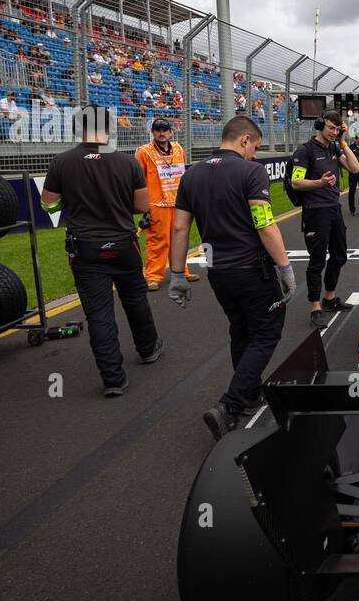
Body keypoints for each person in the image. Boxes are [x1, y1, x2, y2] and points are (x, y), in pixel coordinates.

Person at [167, 115, 297, 439]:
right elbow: (265, 223)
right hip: (250, 269)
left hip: (217, 271)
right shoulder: (251, 171)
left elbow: (180, 228)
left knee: (241, 330)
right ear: (244, 140)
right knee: (267, 332)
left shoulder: (191, 174)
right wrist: (285, 267)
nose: (256, 153)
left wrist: (176, 274)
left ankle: (250, 391)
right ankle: (230, 405)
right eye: (255, 146)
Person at [40, 105, 162, 398]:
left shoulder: (61, 162)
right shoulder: (127, 162)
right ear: (107, 130)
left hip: (86, 248)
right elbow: (142, 207)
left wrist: (72, 201)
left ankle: (113, 378)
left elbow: (49, 206)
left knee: (98, 313)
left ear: (78, 129)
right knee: (135, 300)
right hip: (123, 243)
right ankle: (148, 349)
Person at [288, 111, 359, 330]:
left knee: (339, 256)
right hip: (315, 211)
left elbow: (355, 168)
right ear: (321, 125)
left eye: (337, 129)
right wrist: (319, 183)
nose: (333, 132)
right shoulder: (305, 150)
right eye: (330, 128)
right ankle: (316, 307)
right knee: (317, 261)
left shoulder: (334, 147)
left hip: (334, 209)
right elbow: (295, 182)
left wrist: (342, 142)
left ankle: (330, 298)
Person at [135, 117, 198, 290]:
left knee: (179, 238)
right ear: (153, 132)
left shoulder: (178, 149)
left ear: (170, 132)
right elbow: (137, 180)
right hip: (157, 204)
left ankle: (181, 271)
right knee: (158, 241)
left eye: (164, 130)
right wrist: (143, 206)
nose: (161, 133)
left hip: (178, 203)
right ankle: (153, 277)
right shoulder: (143, 152)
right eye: (158, 130)